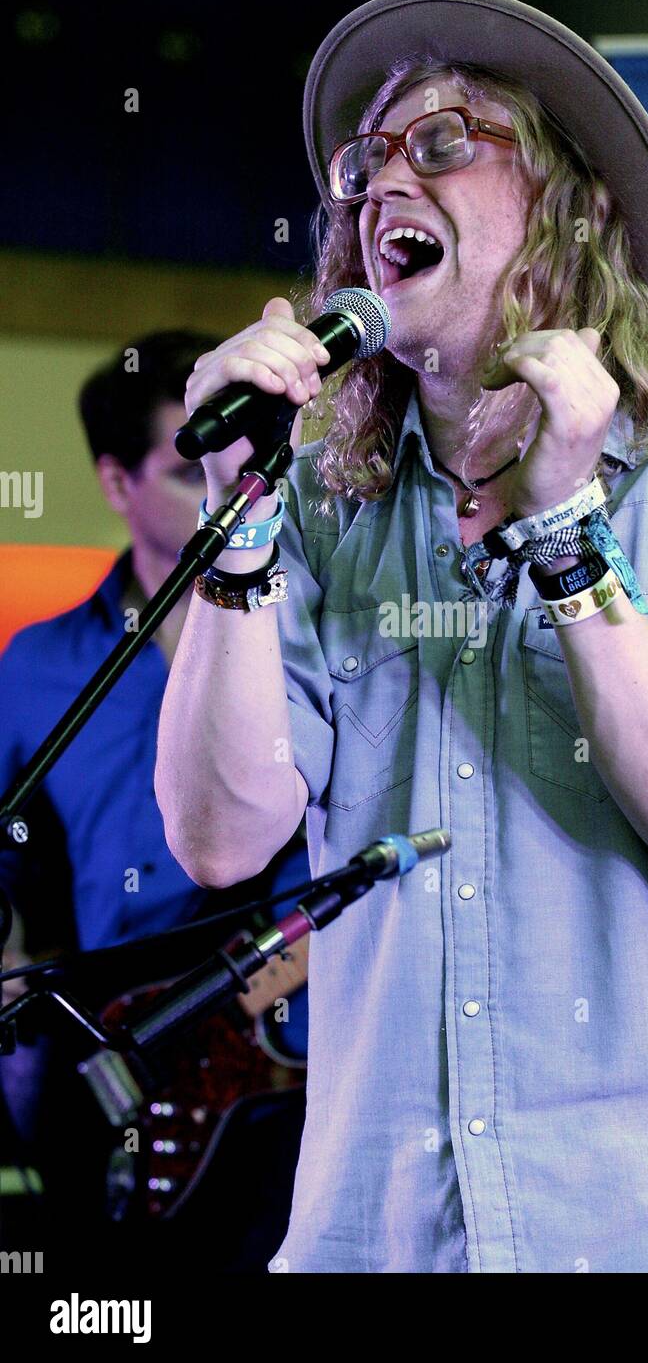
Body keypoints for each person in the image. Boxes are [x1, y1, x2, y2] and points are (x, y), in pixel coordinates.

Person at [155, 0, 648, 1274]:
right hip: (377, 1243)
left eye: (443, 141)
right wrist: (234, 520)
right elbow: (217, 834)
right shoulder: (316, 507)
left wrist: (567, 526)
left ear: (563, 207)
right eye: (364, 164)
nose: (378, 184)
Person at [0, 330, 308, 1270]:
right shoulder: (36, 665)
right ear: (116, 483)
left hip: (302, 1064)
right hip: (118, 1062)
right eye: (192, 469)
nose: (230, 481)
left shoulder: (315, 627)